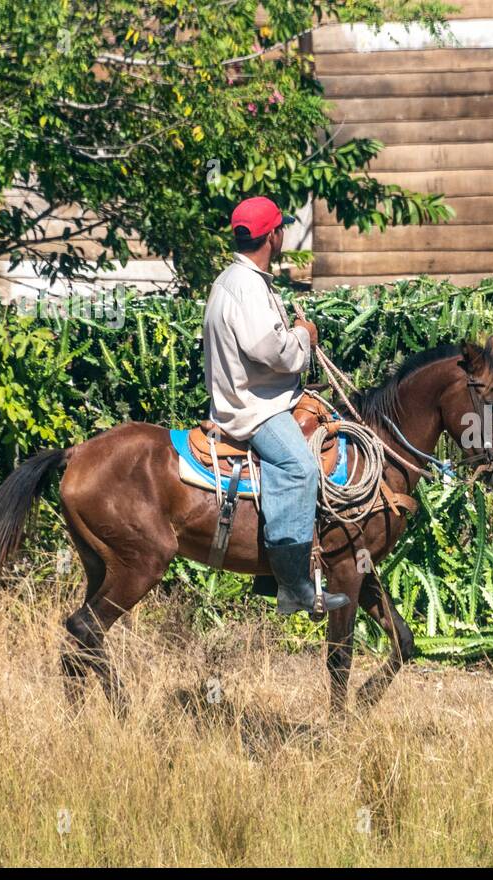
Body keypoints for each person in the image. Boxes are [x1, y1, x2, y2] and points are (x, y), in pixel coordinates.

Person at [201, 196, 349, 616]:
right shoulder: (248, 287)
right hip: (253, 409)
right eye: (281, 229)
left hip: (256, 396)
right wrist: (304, 336)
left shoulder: (233, 279)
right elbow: (272, 351)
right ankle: (291, 586)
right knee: (298, 466)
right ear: (273, 236)